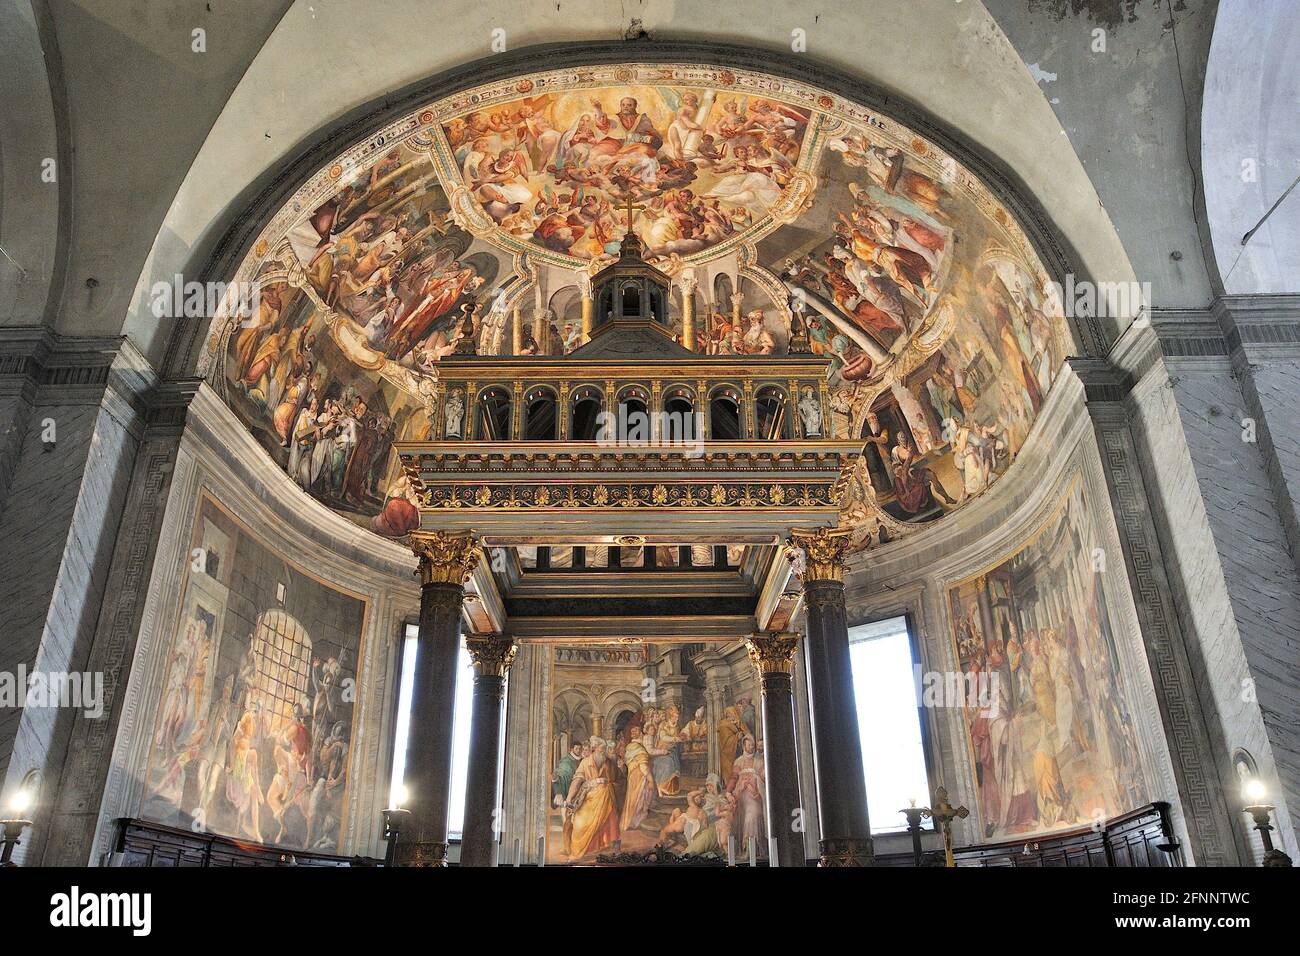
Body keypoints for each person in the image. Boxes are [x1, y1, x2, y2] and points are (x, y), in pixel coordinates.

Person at [564, 737, 620, 858]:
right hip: (589, 799)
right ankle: (577, 852)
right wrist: (569, 798)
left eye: (605, 749)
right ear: (594, 749)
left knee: (612, 820)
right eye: (601, 749)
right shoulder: (585, 763)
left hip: (606, 797)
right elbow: (577, 781)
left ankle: (614, 847)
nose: (603, 752)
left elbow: (617, 778)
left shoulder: (608, 762)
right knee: (580, 824)